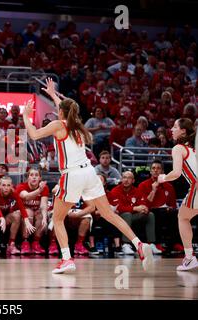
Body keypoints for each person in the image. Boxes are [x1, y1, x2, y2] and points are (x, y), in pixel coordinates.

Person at [22, 78, 153, 274]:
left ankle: (67, 259)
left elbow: (33, 134)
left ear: (62, 112)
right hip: (90, 172)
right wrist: (53, 95)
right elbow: (65, 109)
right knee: (108, 213)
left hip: (72, 174)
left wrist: (26, 116)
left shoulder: (59, 124)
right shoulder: (77, 125)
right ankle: (139, 244)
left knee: (57, 219)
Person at [158, 118, 198, 271]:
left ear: (183, 131)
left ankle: (189, 257)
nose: (172, 130)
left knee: (183, 217)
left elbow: (176, 173)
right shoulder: (193, 149)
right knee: (184, 216)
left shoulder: (178, 148)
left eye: (175, 127)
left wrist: (163, 178)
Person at [138, 160, 183, 254]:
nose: (155, 170)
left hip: (166, 212)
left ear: (162, 172)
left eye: (158, 168)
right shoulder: (143, 185)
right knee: (158, 213)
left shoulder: (169, 186)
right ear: (150, 171)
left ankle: (175, 243)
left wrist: (170, 208)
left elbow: (173, 204)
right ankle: (157, 243)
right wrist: (153, 190)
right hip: (150, 211)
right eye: (153, 168)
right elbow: (144, 205)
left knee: (178, 214)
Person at [0, 176, 36, 255]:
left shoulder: (14, 193)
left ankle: (11, 245)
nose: (6, 188)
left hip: (5, 216)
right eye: (3, 185)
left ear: (11, 186)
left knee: (17, 214)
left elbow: (21, 207)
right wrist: (1, 218)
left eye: (8, 185)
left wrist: (26, 220)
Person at [15, 167, 49, 255]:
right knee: (29, 212)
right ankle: (25, 242)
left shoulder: (44, 188)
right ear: (28, 177)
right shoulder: (21, 186)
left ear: (40, 178)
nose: (34, 177)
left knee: (41, 215)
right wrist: (39, 190)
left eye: (36, 175)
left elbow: (43, 205)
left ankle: (36, 243)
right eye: (31, 175)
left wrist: (45, 218)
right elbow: (26, 197)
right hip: (21, 213)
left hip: (36, 211)